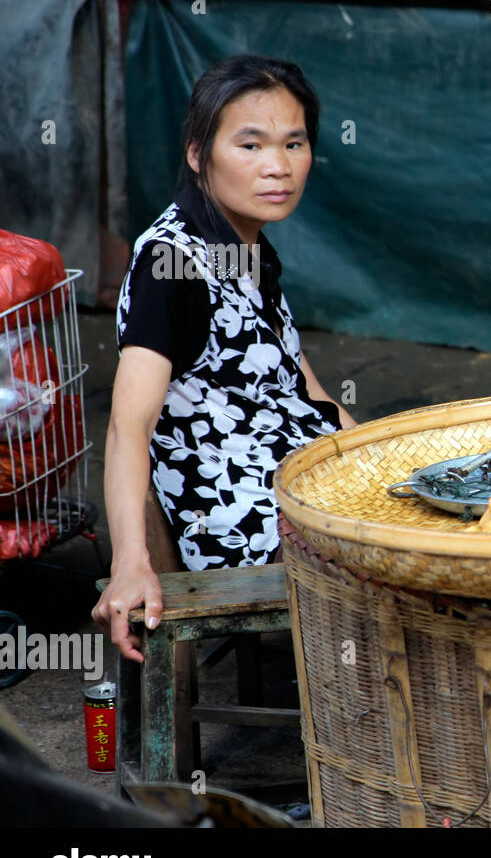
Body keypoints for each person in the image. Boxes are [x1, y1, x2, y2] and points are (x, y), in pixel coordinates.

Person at [92, 55, 356, 662]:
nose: (278, 166)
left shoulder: (246, 245)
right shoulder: (170, 265)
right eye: (251, 144)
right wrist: (129, 563)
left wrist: (380, 465)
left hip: (298, 474)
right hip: (240, 509)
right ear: (197, 154)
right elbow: (126, 427)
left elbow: (305, 389)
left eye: (294, 143)